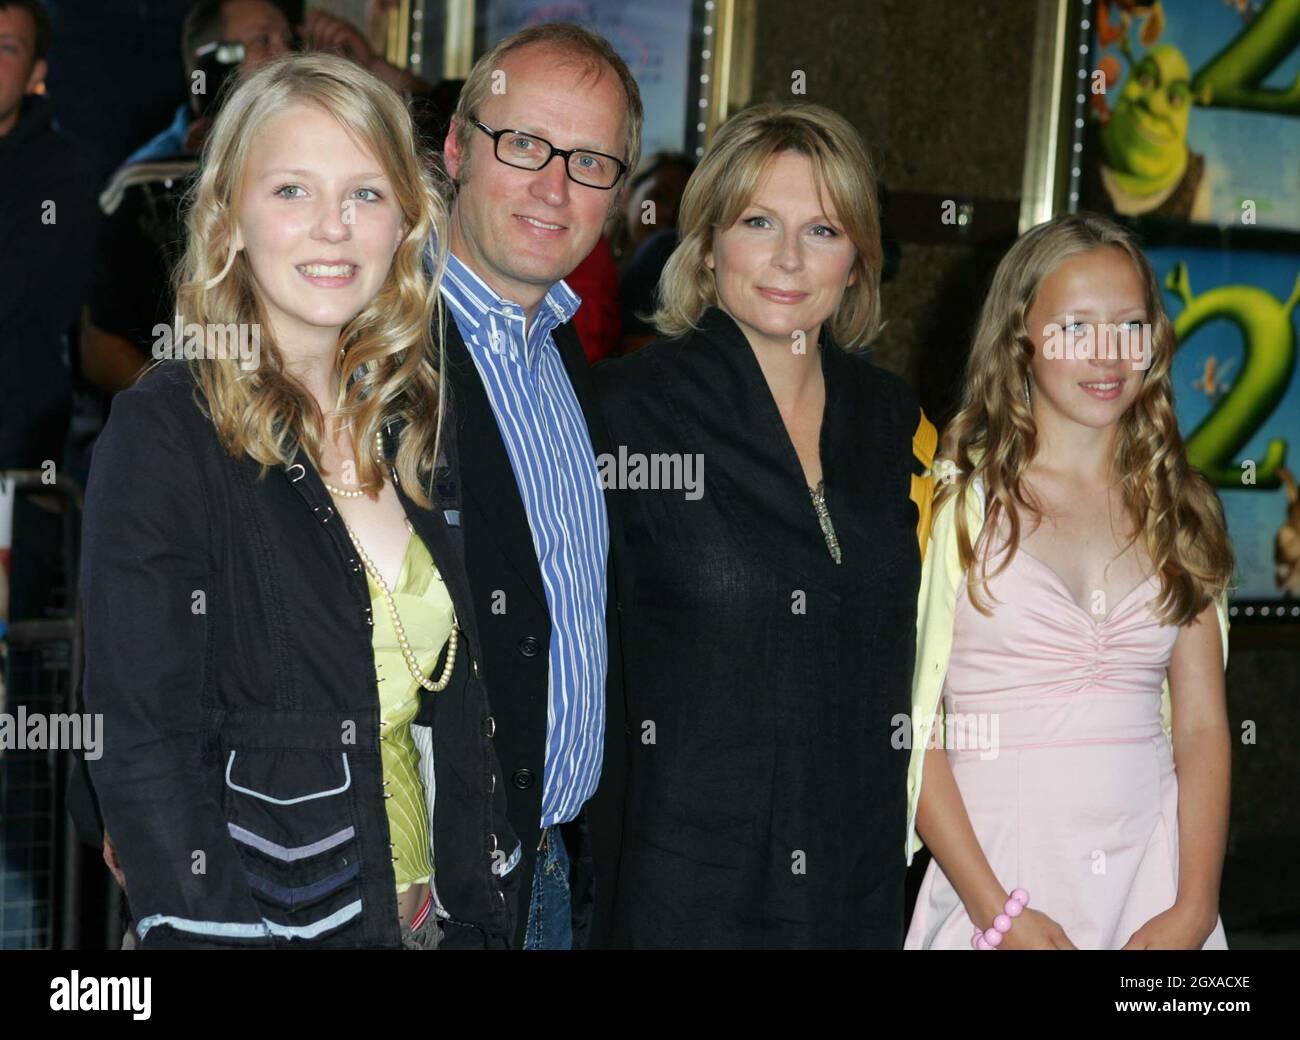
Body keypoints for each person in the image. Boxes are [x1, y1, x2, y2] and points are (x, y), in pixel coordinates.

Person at [81, 52, 520, 949]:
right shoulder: (168, 430)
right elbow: (143, 741)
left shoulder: (422, 415)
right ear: (230, 218)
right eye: (291, 191)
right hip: (259, 925)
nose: (334, 227)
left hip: (437, 917)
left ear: (406, 217)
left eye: (365, 193)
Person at [593, 102, 937, 948]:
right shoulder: (624, 412)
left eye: (823, 230)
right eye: (758, 222)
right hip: (682, 892)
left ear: (859, 258)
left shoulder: (897, 421)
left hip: (854, 886)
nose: (789, 259)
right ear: (707, 244)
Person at [904, 212, 1234, 950]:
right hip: (997, 884)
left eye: (1129, 325)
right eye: (1075, 328)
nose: (1108, 355)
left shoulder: (1180, 506)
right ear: (1020, 336)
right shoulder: (956, 504)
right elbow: (913, 730)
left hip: (1158, 888)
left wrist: (1195, 905)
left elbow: (1205, 728)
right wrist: (999, 912)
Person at [436, 21, 641, 948]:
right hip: (423, 892)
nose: (556, 187)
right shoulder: (372, 343)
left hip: (550, 870)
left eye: (592, 161)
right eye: (524, 144)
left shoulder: (561, 352)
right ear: (456, 147)